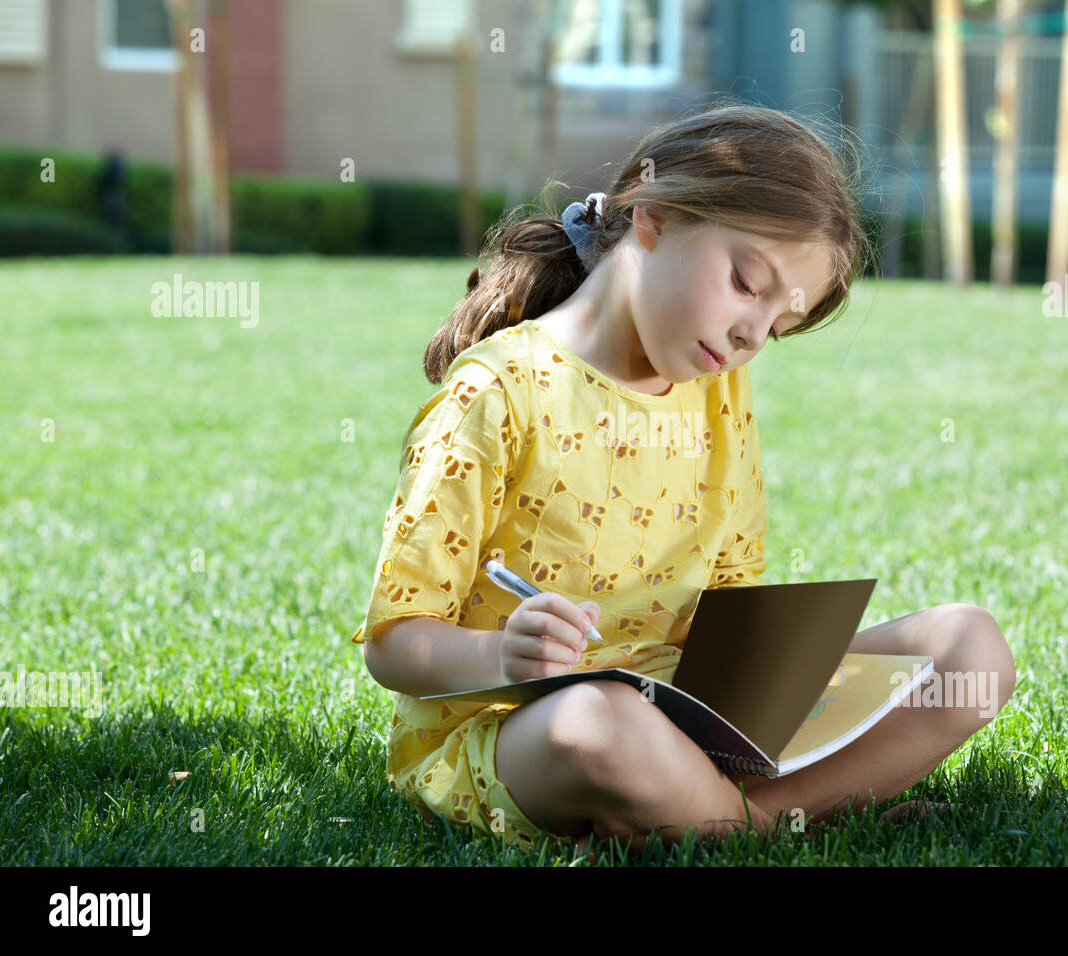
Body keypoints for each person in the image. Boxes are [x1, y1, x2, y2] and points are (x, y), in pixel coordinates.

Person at [352, 103, 1016, 857]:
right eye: (744, 283)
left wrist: (767, 675)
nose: (748, 337)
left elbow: (729, 600)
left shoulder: (716, 391)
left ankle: (721, 808)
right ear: (655, 218)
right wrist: (504, 656)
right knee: (596, 722)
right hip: (520, 733)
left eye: (776, 328)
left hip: (689, 715)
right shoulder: (498, 394)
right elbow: (395, 644)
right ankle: (763, 823)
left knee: (971, 649)